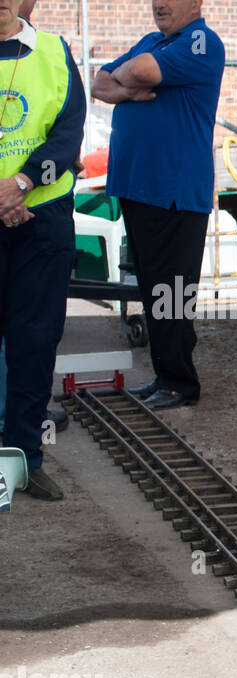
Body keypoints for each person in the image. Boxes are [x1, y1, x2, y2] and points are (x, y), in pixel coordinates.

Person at [92, 0, 224, 410]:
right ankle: (164, 376)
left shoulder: (201, 41)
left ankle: (181, 384)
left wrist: (126, 83)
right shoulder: (153, 41)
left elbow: (145, 70)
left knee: (173, 291)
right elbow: (98, 84)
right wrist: (128, 88)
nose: (159, 4)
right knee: (154, 288)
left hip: (175, 191)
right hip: (140, 188)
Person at [0, 0, 86, 500]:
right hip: (14, 206)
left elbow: (68, 137)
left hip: (42, 220)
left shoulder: (54, 52)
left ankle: (23, 463)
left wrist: (24, 182)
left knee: (35, 344)